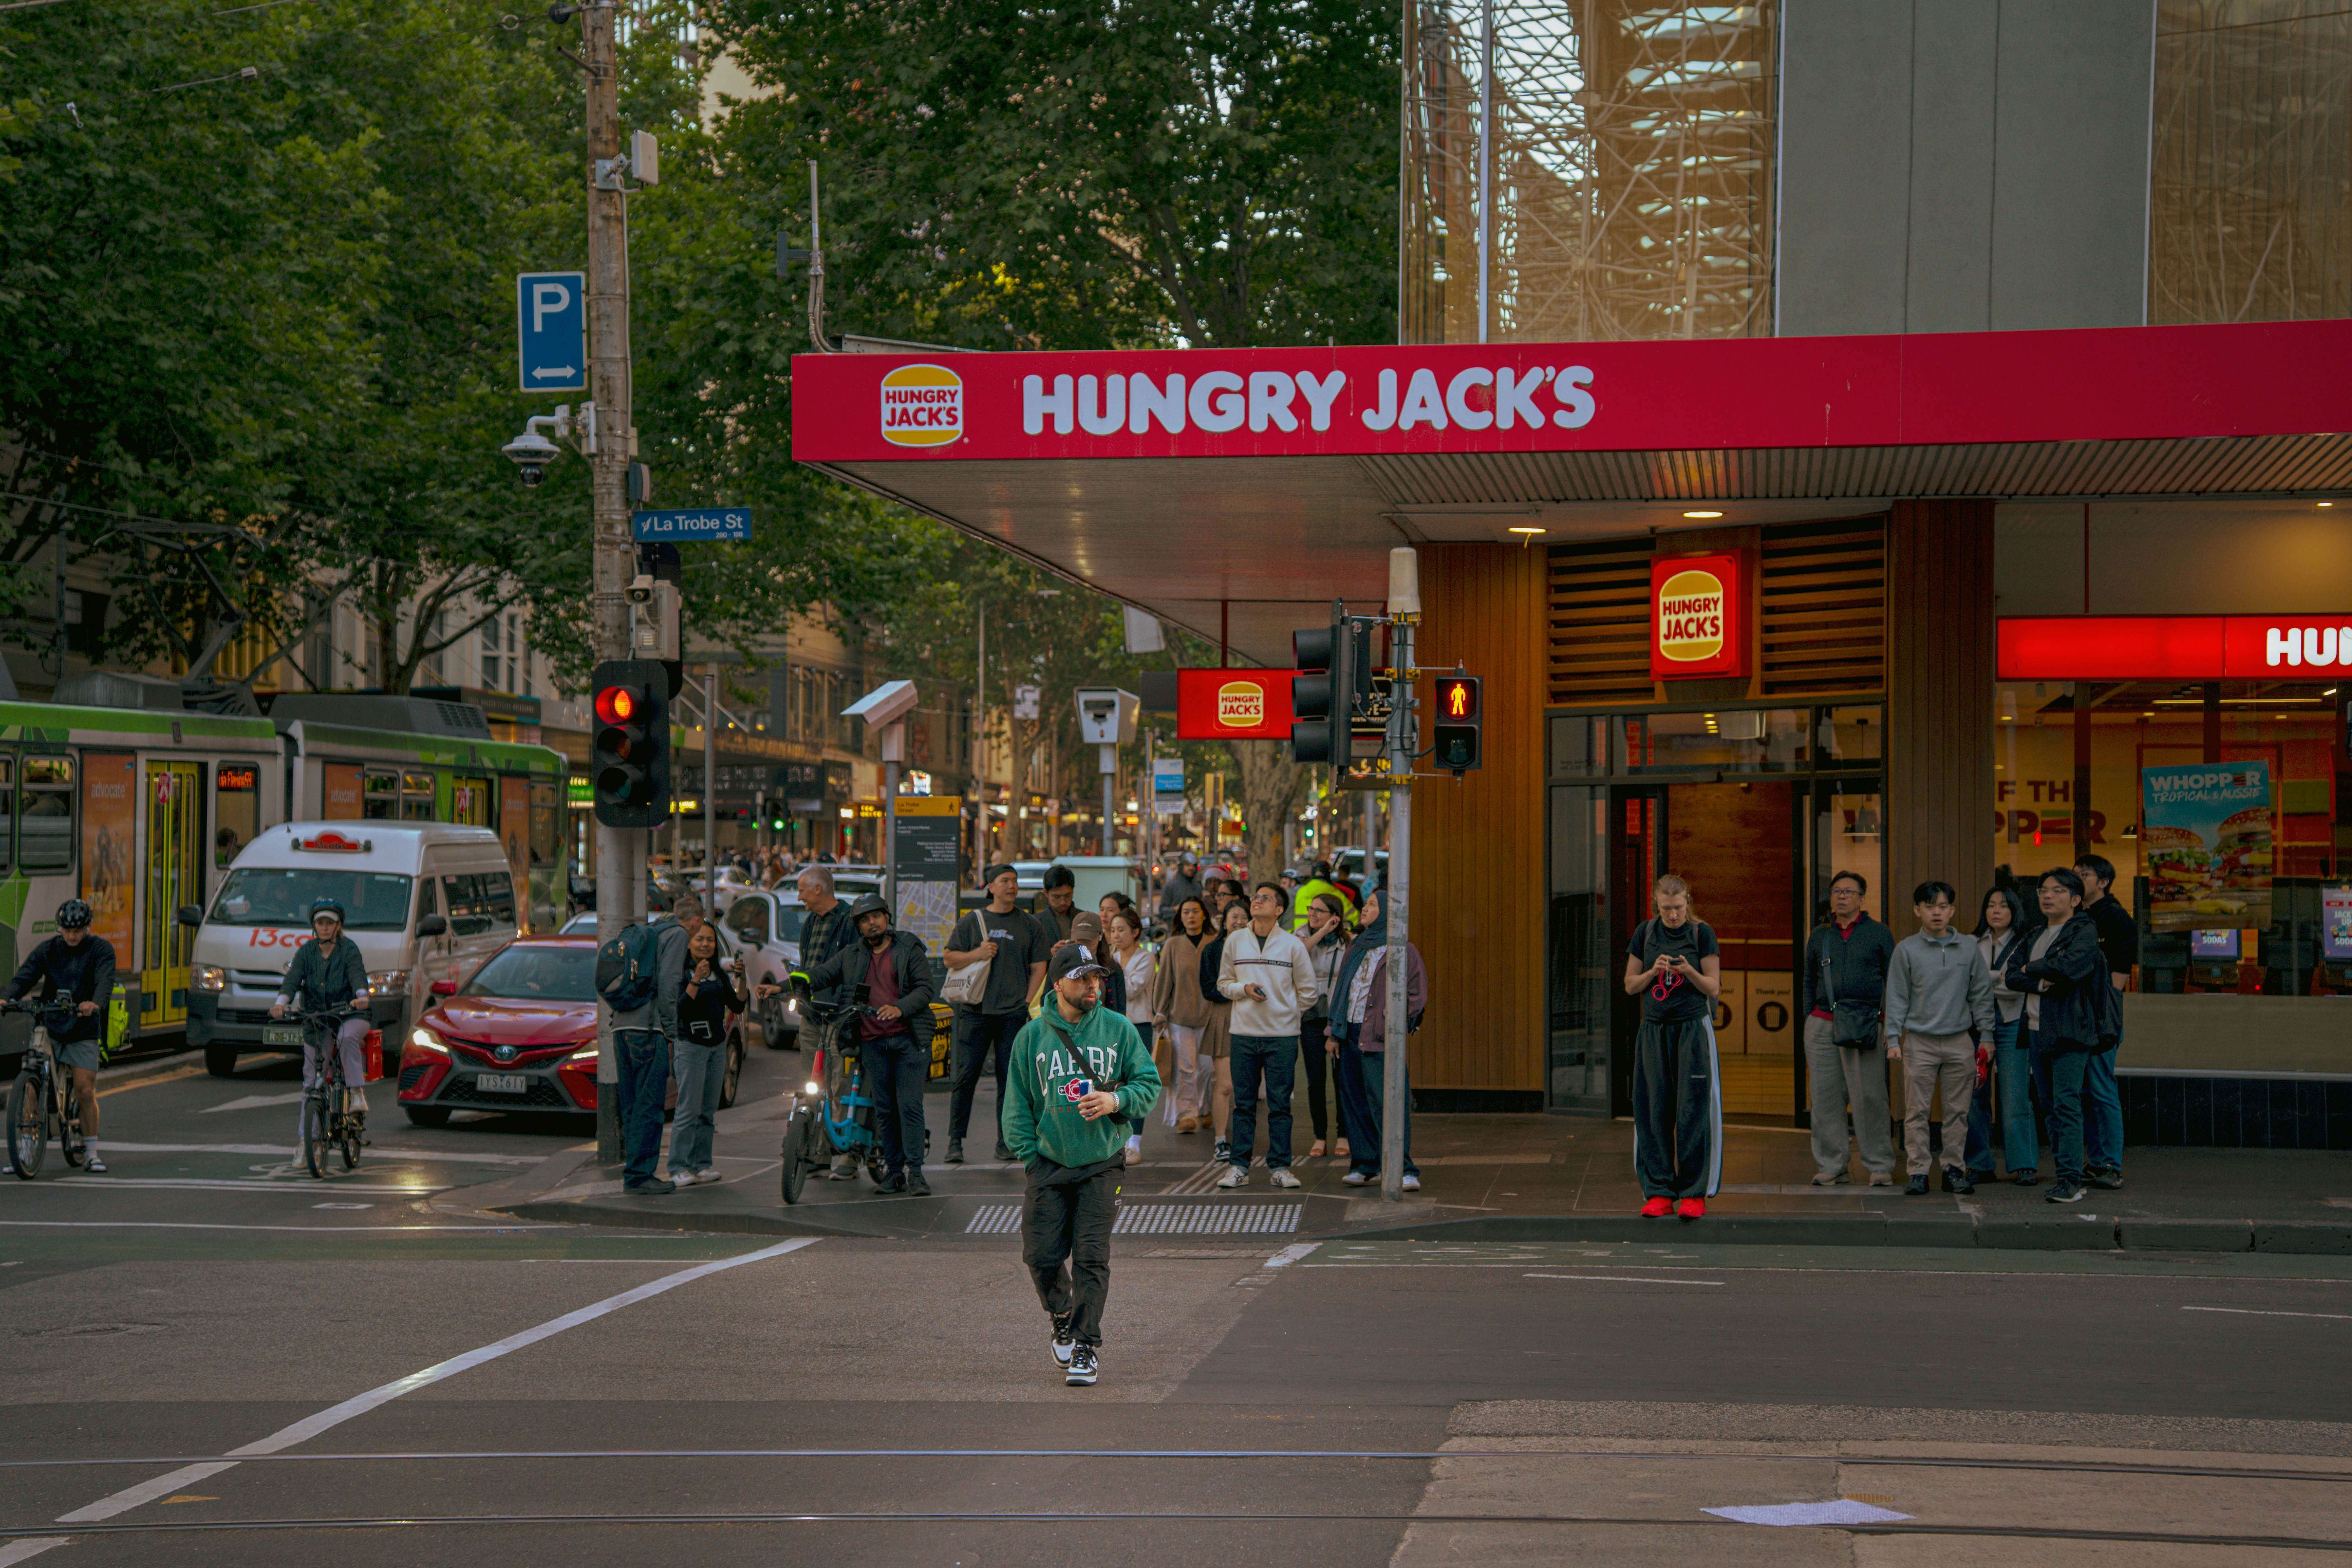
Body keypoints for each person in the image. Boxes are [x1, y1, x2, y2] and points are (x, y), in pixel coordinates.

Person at [1003, 944, 1162, 1388]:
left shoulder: (1119, 1029)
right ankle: (1061, 1313)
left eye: (1097, 977)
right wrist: (1030, 1156)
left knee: (1092, 1256)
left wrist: (1117, 1100)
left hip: (1101, 1163)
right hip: (1048, 1163)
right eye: (1081, 977)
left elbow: (1148, 1083)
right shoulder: (1031, 1037)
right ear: (1057, 984)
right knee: (1041, 1255)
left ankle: (1085, 1346)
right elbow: (1016, 1104)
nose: (1093, 985)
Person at [800, 893, 938, 1195]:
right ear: (858, 927)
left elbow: (926, 988)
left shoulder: (908, 947)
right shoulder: (853, 954)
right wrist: (785, 985)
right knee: (885, 1109)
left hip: (908, 1041)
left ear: (887, 917)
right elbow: (821, 975)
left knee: (910, 1107)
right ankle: (894, 1173)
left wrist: (900, 1007)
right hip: (873, 1043)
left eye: (876, 916)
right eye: (864, 920)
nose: (871, 923)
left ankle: (916, 1174)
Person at [2007, 867, 2115, 1206]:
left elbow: (2072, 968)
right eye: (2042, 890)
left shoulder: (2083, 930)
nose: (2046, 896)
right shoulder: (2035, 933)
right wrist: (2037, 979)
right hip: (2038, 1032)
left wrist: (2031, 968)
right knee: (2049, 1106)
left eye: (2056, 890)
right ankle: (2063, 1175)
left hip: (2070, 1031)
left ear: (2075, 899)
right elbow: (2011, 975)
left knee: (2067, 1105)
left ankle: (2071, 1181)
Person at [1883, 880, 1996, 1197]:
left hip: (1960, 1040)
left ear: (1952, 911)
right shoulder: (1906, 949)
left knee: (1957, 1111)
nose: (1937, 912)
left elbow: (1981, 995)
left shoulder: (1968, 948)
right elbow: (1896, 997)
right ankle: (1918, 1171)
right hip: (1919, 1041)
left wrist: (1987, 1036)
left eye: (1943, 906)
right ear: (1917, 911)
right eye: (1930, 906)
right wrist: (1892, 1039)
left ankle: (1953, 1169)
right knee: (1916, 1111)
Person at [1623, 875, 1721, 1218]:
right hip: (1653, 1030)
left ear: (1688, 903)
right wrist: (1653, 972)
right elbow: (1630, 986)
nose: (1673, 916)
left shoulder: (1701, 933)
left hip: (1691, 1030)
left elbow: (1712, 987)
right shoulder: (1645, 933)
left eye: (1678, 908)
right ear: (1657, 907)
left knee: (1692, 1110)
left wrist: (1689, 971)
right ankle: (1659, 1191)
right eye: (1666, 910)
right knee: (1652, 1110)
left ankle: (1694, 1193)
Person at [943, 864, 1051, 1164]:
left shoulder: (1029, 925)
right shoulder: (972, 922)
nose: (1012, 886)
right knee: (965, 1079)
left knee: (1010, 1082)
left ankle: (1006, 1142)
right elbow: (949, 957)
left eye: (1014, 881)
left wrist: (1026, 1002)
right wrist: (977, 954)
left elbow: (1039, 967)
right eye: (1005, 881)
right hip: (975, 1012)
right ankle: (955, 1142)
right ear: (990, 886)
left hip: (1011, 1015)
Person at [1215, 881, 1318, 1190]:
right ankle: (1238, 1166)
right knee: (1243, 1104)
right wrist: (1243, 990)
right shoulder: (1235, 941)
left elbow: (1309, 992)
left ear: (1279, 910)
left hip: (1282, 1037)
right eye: (1255, 896)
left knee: (1280, 1105)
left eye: (1265, 898)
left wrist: (1285, 1011)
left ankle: (1280, 1166)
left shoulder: (1292, 945)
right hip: (1243, 1034)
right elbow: (1223, 984)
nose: (1257, 901)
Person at [1801, 870, 1899, 1187]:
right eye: (1836, 892)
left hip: (1865, 1023)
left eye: (1848, 892)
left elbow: (1891, 981)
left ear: (1861, 898)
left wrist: (1886, 1022)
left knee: (1869, 1097)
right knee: (1824, 1098)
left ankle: (1879, 1166)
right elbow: (1807, 979)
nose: (1841, 897)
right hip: (1821, 1024)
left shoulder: (1879, 933)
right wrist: (1808, 1018)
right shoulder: (1820, 935)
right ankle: (1832, 1164)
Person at [7, 899, 116, 1173]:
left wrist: (95, 1004)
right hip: (51, 1024)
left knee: (84, 1088)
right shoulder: (49, 950)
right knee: (31, 1084)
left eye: (78, 930)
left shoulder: (101, 950)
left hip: (83, 1028)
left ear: (87, 928)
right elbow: (25, 977)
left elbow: (105, 981)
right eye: (67, 930)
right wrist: (5, 998)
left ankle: (91, 1153)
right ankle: (23, 1152)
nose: (72, 935)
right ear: (60, 929)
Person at [1331, 887, 1423, 1191]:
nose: (1365, 909)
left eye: (1372, 905)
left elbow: (1415, 993)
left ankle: (1403, 1168)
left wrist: (1393, 1022)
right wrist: (1333, 1032)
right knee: (1355, 1102)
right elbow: (1343, 989)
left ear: (1386, 911)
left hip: (1380, 1036)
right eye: (1366, 904)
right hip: (1350, 1034)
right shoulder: (1357, 946)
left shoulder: (1401, 948)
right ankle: (1365, 1165)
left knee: (1388, 1102)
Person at [269, 897, 374, 1162]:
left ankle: (356, 1092)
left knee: (347, 1036)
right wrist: (280, 1004)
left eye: (330, 923)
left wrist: (362, 995)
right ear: (314, 926)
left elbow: (357, 975)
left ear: (339, 926)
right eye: (320, 923)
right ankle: (308, 1142)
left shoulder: (349, 950)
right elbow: (292, 981)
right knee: (312, 1082)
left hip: (350, 1014)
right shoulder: (306, 952)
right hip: (318, 1020)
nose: (325, 928)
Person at [610, 895, 693, 1193]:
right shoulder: (679, 934)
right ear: (695, 921)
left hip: (621, 1026)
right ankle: (640, 1176)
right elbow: (670, 983)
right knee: (650, 1105)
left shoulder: (649, 931)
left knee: (632, 1104)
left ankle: (633, 1172)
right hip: (648, 1030)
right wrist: (669, 1033)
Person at [2073, 854, 2135, 1190]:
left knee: (2101, 1087)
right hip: (2075, 1015)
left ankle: (2111, 1164)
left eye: (2084, 874)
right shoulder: (2077, 915)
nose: (2078, 880)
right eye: (2076, 874)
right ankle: (2095, 1161)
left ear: (2103, 882)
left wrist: (2102, 1014)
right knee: (2085, 1091)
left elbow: (2120, 975)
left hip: (2101, 1016)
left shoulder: (2114, 917)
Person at [1975, 884, 2039, 1186]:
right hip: (1977, 1027)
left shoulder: (2026, 943)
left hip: (2013, 1023)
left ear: (2014, 911)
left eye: (2003, 906)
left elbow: (2019, 985)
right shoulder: (1972, 943)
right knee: (1975, 1097)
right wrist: (2002, 979)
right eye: (1990, 905)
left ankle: (2023, 1164)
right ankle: (1979, 1164)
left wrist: (1989, 981)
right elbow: (1967, 985)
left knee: (2015, 1097)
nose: (1996, 911)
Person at [670, 922, 742, 1186]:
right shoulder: (681, 971)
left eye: (710, 940)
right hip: (691, 1045)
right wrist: (696, 979)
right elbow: (680, 1009)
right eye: (700, 939)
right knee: (688, 1109)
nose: (705, 945)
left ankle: (702, 1164)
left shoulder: (718, 973)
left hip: (716, 1046)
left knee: (708, 1111)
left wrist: (741, 978)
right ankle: (678, 1166)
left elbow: (737, 1004)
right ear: (689, 943)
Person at [1147, 896, 1216, 1133]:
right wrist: (1160, 1013)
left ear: (1204, 915)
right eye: (1186, 912)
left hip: (1210, 1017)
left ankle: (1206, 1108)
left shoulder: (1215, 942)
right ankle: (1187, 1115)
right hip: (1179, 1018)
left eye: (1195, 912)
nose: (1191, 916)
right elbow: (1164, 980)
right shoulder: (1173, 945)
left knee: (1208, 1069)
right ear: (1180, 917)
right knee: (1185, 1069)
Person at [1298, 892, 1351, 1158]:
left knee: (1341, 1078)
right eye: (1312, 909)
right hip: (1310, 1017)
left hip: (1338, 1017)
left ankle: (1344, 1134)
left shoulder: (1348, 942)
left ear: (1335, 916)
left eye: (1320, 911)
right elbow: (1299, 952)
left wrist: (1335, 931)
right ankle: (1320, 1136)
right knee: (1315, 1080)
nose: (1313, 914)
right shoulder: (1299, 936)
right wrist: (1322, 931)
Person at [1194, 900, 1248, 1162]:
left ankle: (1244, 1139)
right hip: (1225, 1015)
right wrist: (1240, 991)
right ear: (1223, 921)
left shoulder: (1256, 948)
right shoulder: (1213, 950)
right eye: (1234, 916)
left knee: (1246, 1086)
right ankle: (1220, 1141)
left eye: (1243, 917)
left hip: (1252, 1016)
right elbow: (1208, 988)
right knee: (1225, 1085)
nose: (1239, 921)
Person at [1108, 908, 1156, 1163]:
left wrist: (1112, 980)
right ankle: (1117, 1139)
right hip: (1115, 1026)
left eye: (1121, 930)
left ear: (1136, 932)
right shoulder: (1110, 957)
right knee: (1114, 1081)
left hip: (1139, 1025)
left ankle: (1135, 1143)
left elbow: (1133, 989)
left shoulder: (1146, 958)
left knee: (1138, 1082)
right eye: (1113, 930)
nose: (1116, 935)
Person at [1289, 860, 1342, 934]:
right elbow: (1353, 916)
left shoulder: (1301, 891)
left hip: (1301, 934)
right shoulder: (1335, 893)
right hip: (1326, 936)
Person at [1032, 864, 1078, 944]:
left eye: (1067, 896)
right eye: (1057, 897)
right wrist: (1051, 954)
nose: (1063, 902)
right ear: (1046, 893)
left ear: (1073, 892)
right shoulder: (1035, 923)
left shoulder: (1083, 919)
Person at [1156, 852, 1204, 922]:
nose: (1191, 868)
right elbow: (1162, 910)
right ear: (1182, 867)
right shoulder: (1171, 886)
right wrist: (1174, 909)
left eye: (1194, 866)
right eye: (1188, 865)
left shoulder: (1198, 887)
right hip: (1175, 928)